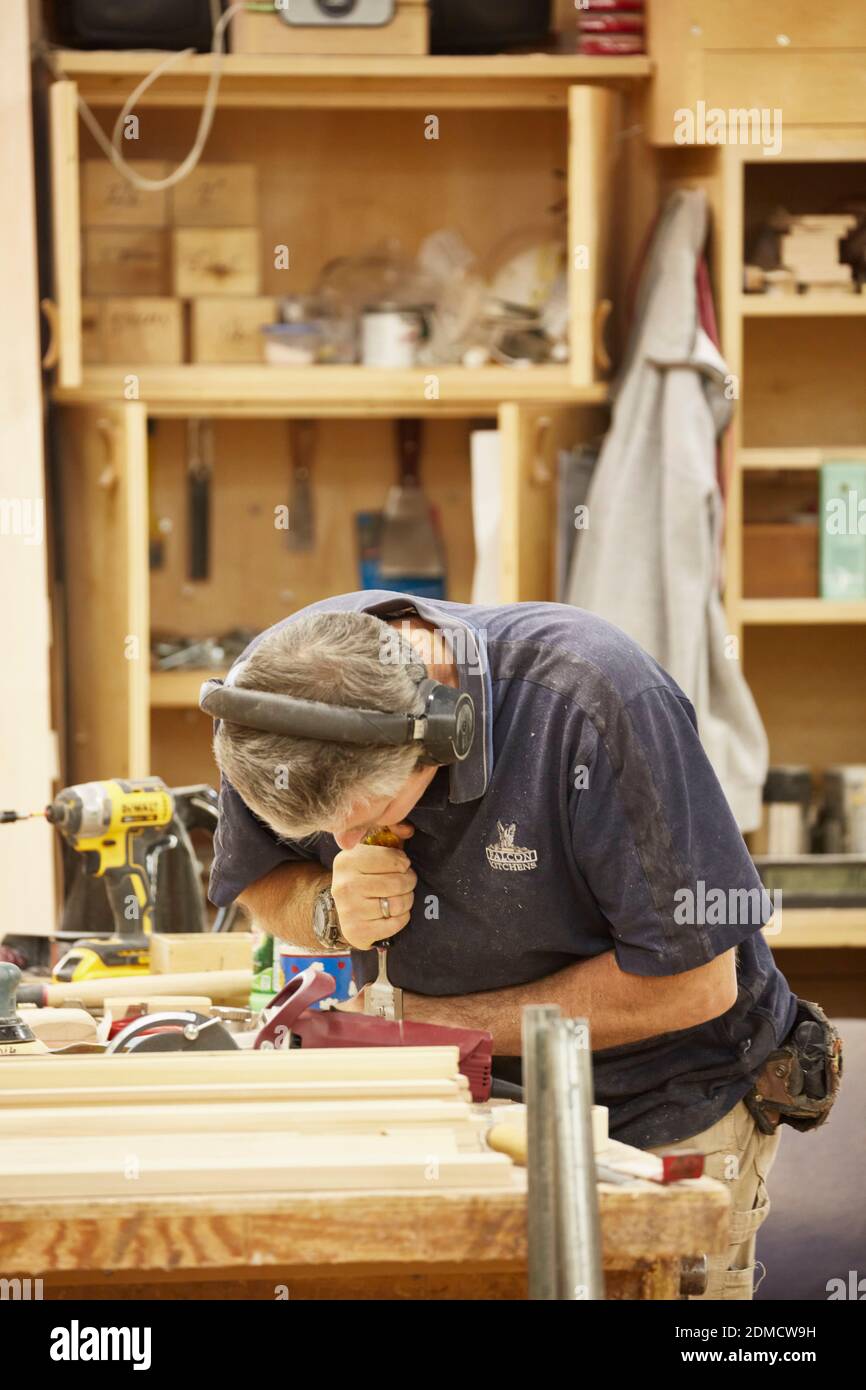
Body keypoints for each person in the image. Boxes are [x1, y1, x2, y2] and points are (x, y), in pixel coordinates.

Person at [208, 589, 801, 1300]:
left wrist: (430, 1028)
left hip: (659, 1112)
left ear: (441, 731)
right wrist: (330, 909)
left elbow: (698, 985)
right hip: (454, 1111)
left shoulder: (594, 701)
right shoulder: (269, 708)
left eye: (368, 815)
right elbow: (260, 882)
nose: (342, 844)